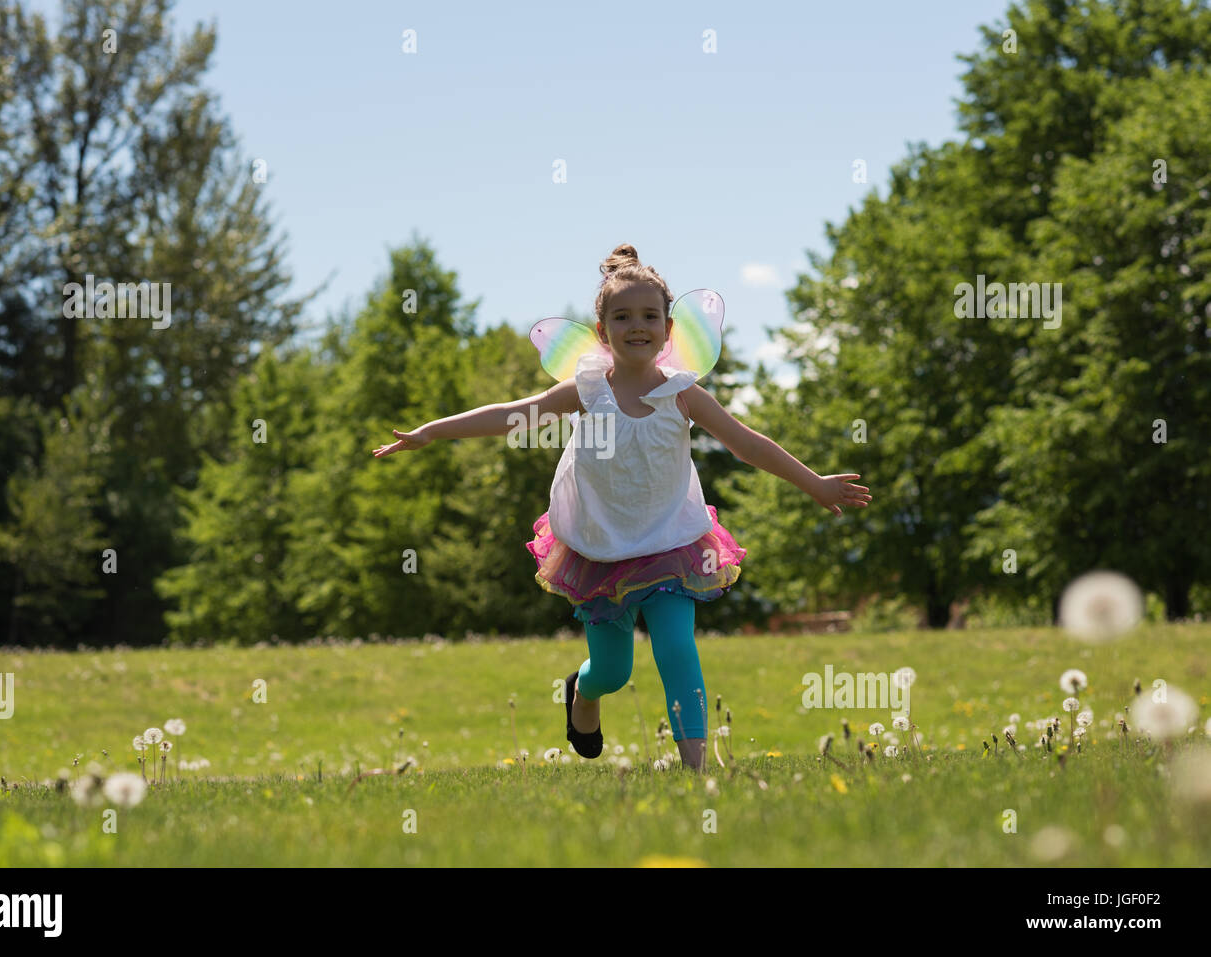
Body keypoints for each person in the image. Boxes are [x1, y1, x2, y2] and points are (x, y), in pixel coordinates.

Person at [372, 244, 871, 772]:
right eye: (623, 316)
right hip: (600, 545)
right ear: (602, 328)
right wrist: (431, 432)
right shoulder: (586, 390)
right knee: (613, 671)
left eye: (650, 316)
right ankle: (582, 694)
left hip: (670, 542)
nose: (638, 326)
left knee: (678, 649)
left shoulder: (683, 394)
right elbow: (512, 414)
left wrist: (815, 483)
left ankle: (695, 771)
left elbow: (746, 443)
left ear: (669, 328)